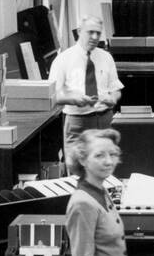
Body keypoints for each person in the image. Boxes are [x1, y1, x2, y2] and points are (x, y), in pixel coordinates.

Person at [65, 128, 129, 256]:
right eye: (99, 155)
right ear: (83, 160)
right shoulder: (82, 203)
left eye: (113, 154)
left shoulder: (100, 191)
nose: (108, 161)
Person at [49, 15, 123, 177]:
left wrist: (113, 98)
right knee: (77, 171)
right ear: (80, 32)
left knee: (105, 170)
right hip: (78, 124)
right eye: (91, 32)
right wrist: (72, 99)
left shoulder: (106, 57)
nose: (95, 37)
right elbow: (53, 96)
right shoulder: (63, 60)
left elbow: (116, 89)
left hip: (104, 121)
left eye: (98, 33)